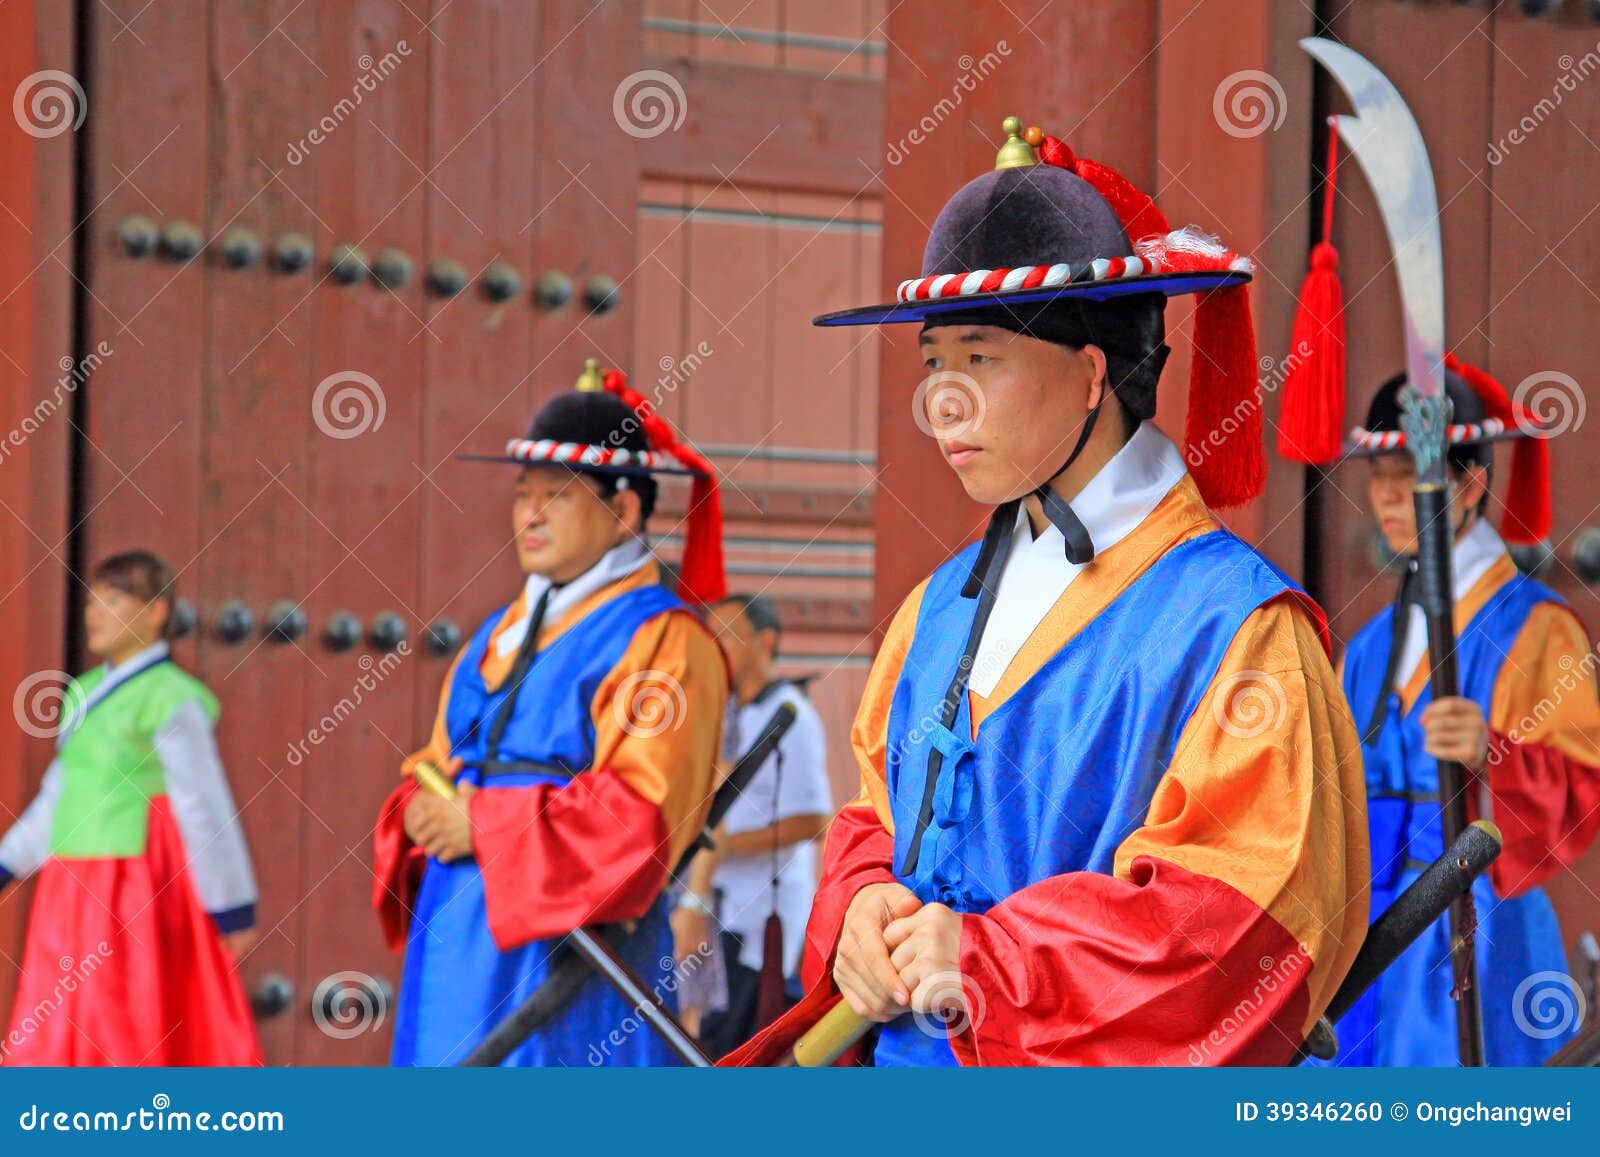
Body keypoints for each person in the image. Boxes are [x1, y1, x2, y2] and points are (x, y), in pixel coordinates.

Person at [727, 118, 1369, 1067]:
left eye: (980, 358)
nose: (944, 400)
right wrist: (863, 904)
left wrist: (992, 966)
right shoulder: (938, 606)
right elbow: (874, 814)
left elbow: (1243, 923)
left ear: (1089, 374)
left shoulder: (1238, 628)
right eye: (935, 361)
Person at [373, 362, 730, 1067]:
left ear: (623, 510)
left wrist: (479, 822)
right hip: (458, 942)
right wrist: (421, 804)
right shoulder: (496, 633)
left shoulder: (664, 639)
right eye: (522, 495)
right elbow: (445, 758)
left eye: (555, 497)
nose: (528, 515)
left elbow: (641, 819)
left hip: (572, 959)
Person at [1331, 359, 1600, 1066]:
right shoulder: (1367, 646)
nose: (1388, 497)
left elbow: (1579, 786)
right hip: (1367, 921)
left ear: (1471, 483)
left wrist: (1494, 751)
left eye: (1409, 477)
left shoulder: (1537, 627)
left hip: (1472, 922)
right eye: (1379, 475)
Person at [0, 550, 260, 1066]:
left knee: (119, 1023)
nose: (95, 612)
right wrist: (7, 863)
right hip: (68, 886)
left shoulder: (171, 697)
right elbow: (62, 792)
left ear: (156, 611)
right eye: (93, 598)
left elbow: (202, 804)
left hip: (130, 886)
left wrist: (230, 905)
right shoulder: (84, 691)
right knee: (55, 1019)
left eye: (114, 599)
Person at [679, 595, 831, 1057]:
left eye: (729, 632)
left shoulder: (791, 716)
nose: (717, 644)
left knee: (742, 1045)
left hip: (756, 917)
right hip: (712, 909)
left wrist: (720, 848)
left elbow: (812, 821)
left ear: (766, 641)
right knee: (699, 1036)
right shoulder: (726, 712)